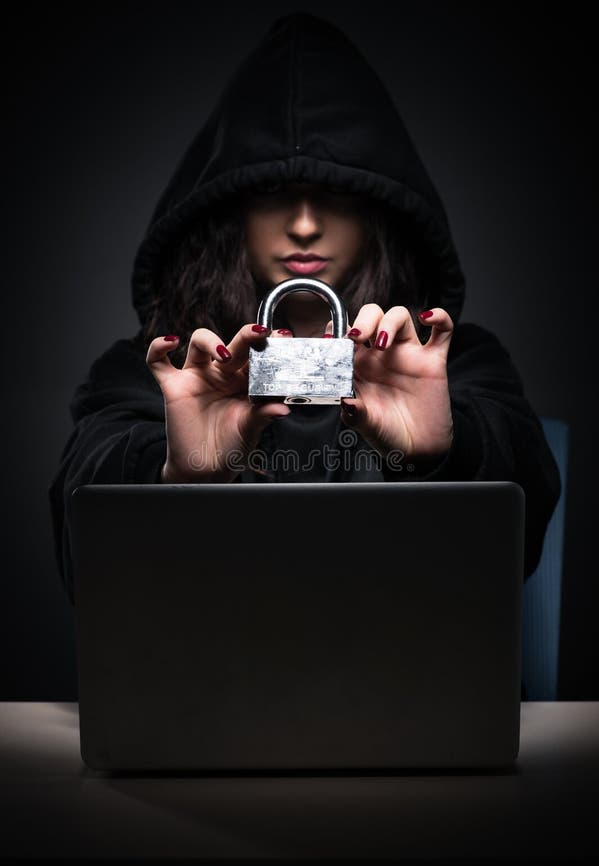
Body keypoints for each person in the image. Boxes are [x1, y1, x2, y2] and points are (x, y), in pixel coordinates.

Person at [48, 12, 561, 610]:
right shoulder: (157, 370)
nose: (304, 224)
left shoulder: (455, 363)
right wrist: (172, 475)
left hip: (401, 664)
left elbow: (520, 533)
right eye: (273, 195)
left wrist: (448, 451)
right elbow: (83, 537)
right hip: (208, 668)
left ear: (378, 213)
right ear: (230, 213)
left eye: (336, 196)